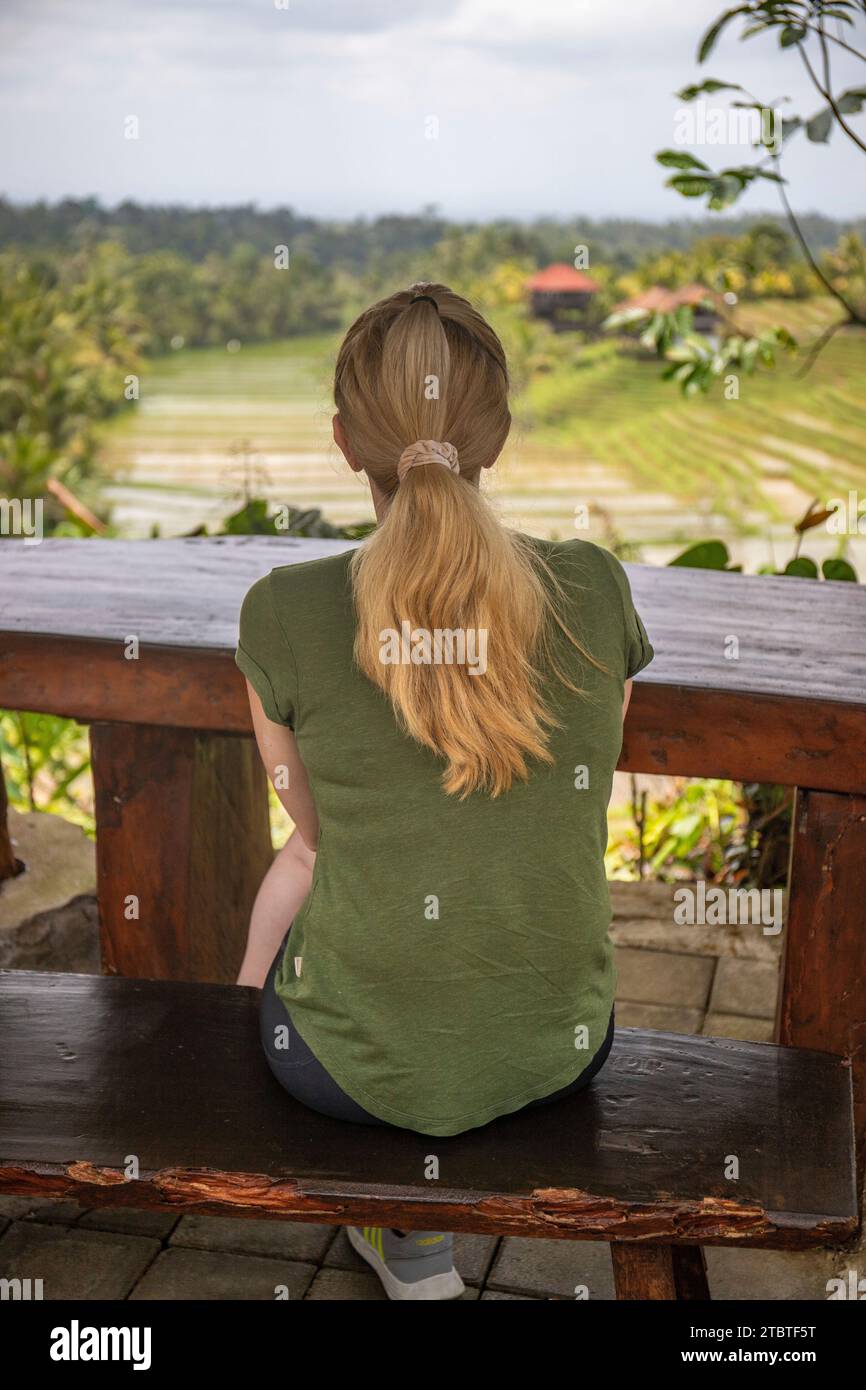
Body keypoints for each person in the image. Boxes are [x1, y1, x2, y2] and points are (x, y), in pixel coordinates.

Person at [234, 283, 654, 1300]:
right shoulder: (593, 588)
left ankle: (407, 1237)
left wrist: (239, 1002)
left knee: (308, 977)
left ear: (343, 442)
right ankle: (410, 1233)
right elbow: (568, 799)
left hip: (339, 1076)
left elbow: (310, 843)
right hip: (555, 1049)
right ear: (497, 433)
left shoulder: (284, 612)